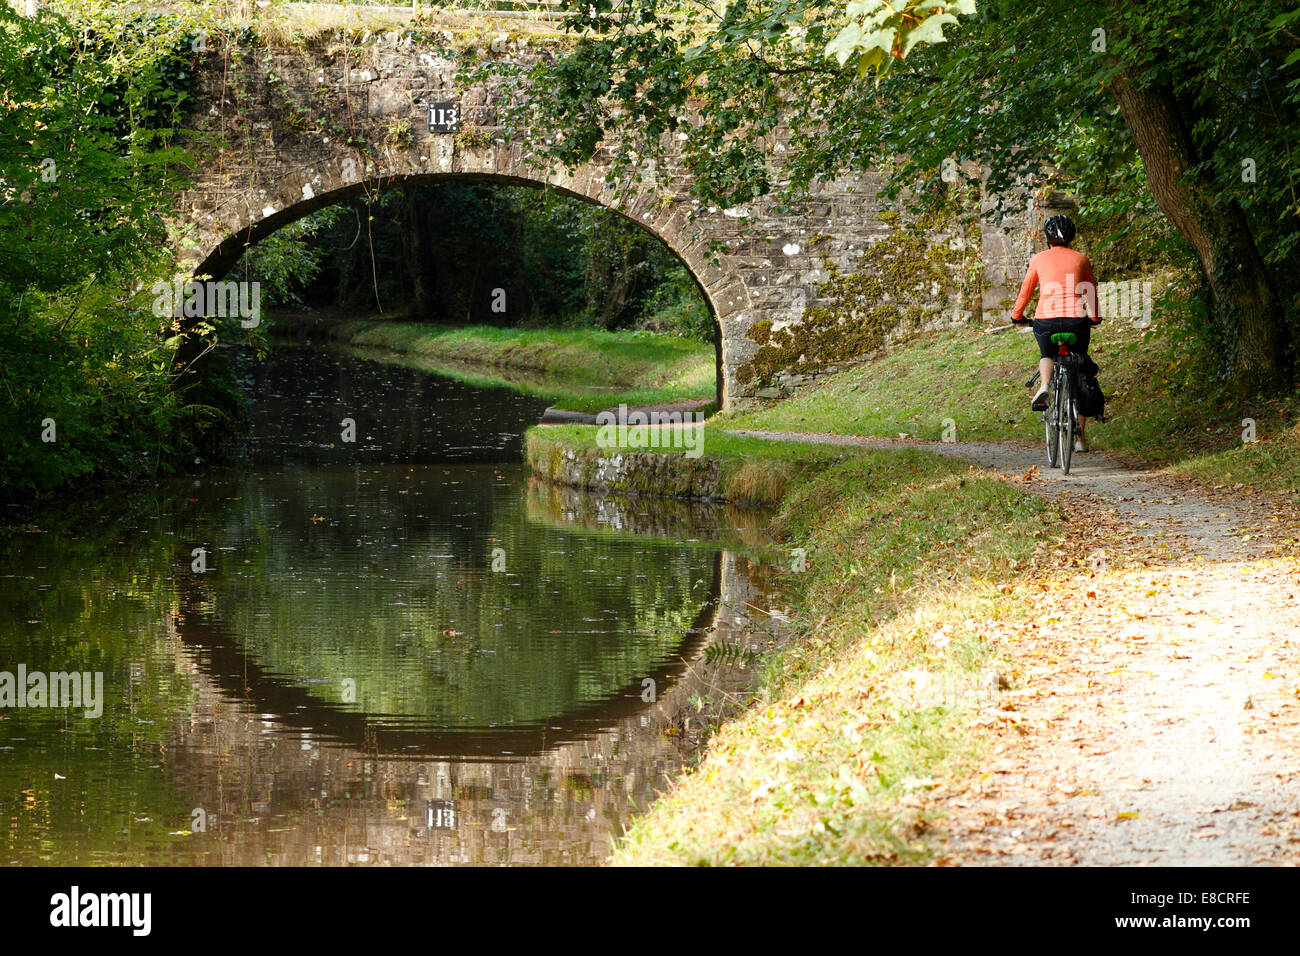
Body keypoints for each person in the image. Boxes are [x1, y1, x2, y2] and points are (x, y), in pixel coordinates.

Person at [1010, 214, 1102, 453]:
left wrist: (1017, 316)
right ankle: (1080, 440)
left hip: (1046, 320)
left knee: (1047, 353)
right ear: (1071, 237)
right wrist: (1094, 317)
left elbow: (1026, 290)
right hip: (1075, 321)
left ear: (1047, 238)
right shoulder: (1081, 259)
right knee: (1080, 369)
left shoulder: (1039, 259)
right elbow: (1089, 290)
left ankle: (1045, 385)